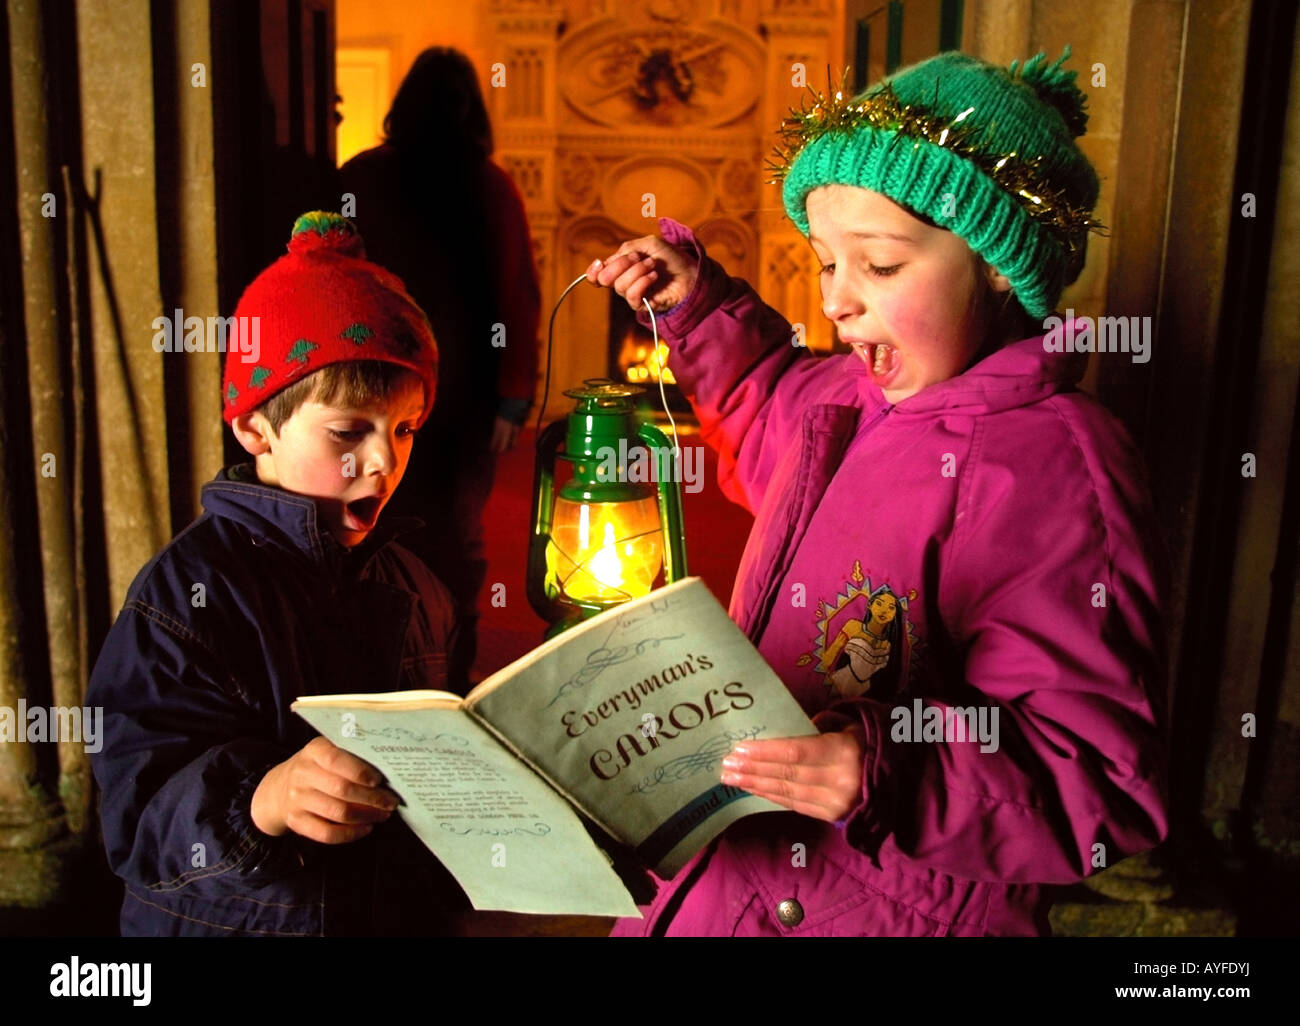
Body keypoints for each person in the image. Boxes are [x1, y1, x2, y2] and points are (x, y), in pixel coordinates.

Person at [585, 49, 1169, 936]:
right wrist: (696, 307)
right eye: (826, 264)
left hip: (879, 908)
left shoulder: (1056, 468)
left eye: (882, 266)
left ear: (1001, 263)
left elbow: (1093, 776)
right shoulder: (844, 395)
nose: (839, 303)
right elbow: (761, 407)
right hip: (726, 877)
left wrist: (891, 764)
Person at [87, 211, 469, 935]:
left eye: (404, 428)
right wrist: (267, 797)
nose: (384, 461)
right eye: (348, 431)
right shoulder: (184, 597)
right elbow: (134, 821)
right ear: (255, 427)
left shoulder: (419, 588)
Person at [340, 47, 541, 693]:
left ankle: (407, 675)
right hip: (448, 390)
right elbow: (519, 297)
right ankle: (444, 679)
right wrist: (512, 397)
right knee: (449, 539)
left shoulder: (367, 175)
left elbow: (516, 294)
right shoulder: (486, 183)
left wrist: (510, 399)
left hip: (392, 387)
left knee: (392, 529)